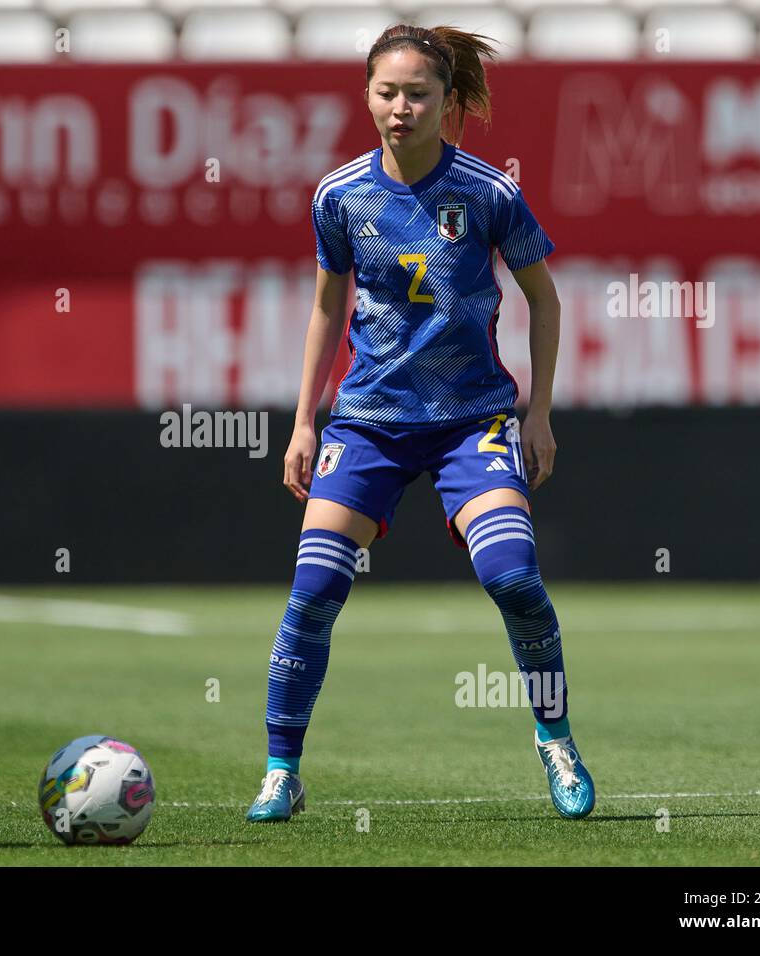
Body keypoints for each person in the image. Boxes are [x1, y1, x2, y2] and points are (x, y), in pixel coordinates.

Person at [246, 25, 594, 823]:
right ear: (365, 94)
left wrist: (537, 413)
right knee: (314, 590)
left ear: (447, 101)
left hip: (473, 422)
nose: (400, 108)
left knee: (514, 581)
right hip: (367, 422)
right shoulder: (339, 196)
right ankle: (281, 770)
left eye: (418, 94)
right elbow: (329, 304)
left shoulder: (487, 193)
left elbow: (545, 297)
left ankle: (556, 738)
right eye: (386, 92)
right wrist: (305, 423)